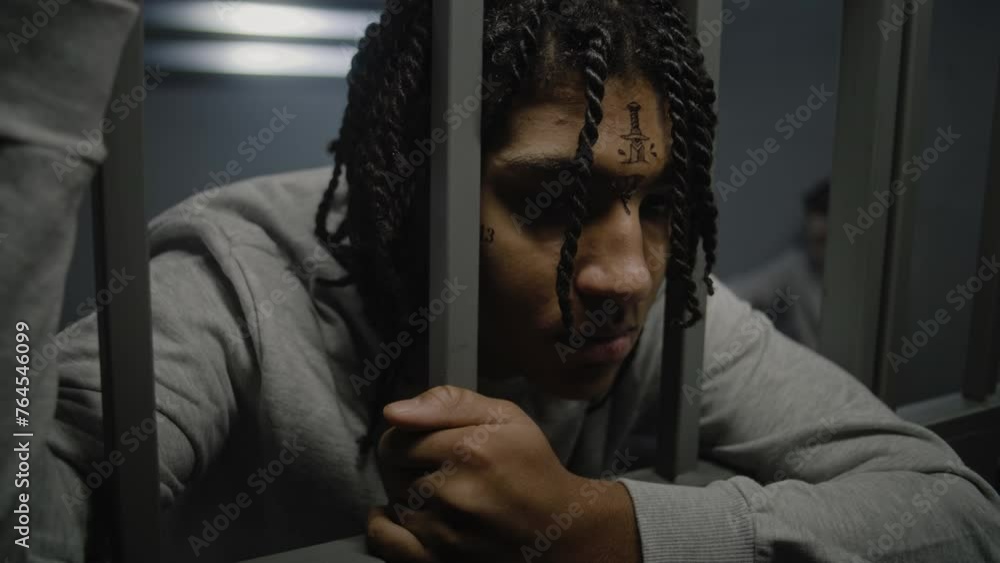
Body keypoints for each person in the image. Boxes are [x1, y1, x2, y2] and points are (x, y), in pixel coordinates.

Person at [2, 1, 999, 562]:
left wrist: (605, 529)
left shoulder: (663, 304)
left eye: (656, 203)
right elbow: (21, 490)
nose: (624, 271)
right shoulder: (233, 277)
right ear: (409, 188)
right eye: (550, 200)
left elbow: (954, 510)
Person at [727, 180, 829, 350]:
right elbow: (745, 290)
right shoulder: (797, 266)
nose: (817, 247)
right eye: (813, 239)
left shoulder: (860, 277)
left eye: (823, 240)